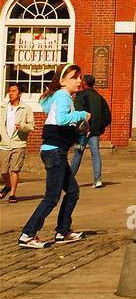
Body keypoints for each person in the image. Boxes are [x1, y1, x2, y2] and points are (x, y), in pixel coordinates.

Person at [18, 63, 90, 248]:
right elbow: (62, 119)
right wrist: (82, 115)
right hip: (54, 152)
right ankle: (28, 234)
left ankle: (63, 230)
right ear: (63, 81)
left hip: (54, 150)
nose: (79, 81)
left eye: (80, 77)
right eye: (74, 77)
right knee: (52, 197)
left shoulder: (59, 97)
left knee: (73, 191)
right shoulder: (63, 96)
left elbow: (46, 107)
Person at [70, 75, 111, 188]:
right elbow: (107, 116)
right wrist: (100, 127)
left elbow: (78, 113)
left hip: (83, 131)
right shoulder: (100, 97)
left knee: (78, 153)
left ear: (84, 83)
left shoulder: (80, 96)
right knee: (95, 153)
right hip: (95, 131)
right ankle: (98, 179)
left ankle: (69, 179)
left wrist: (81, 127)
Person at [1, 83, 35, 203]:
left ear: (19, 93)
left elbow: (32, 126)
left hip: (18, 143)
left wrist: (22, 126)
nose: (11, 93)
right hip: (4, 143)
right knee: (3, 171)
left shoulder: (26, 109)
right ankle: (8, 185)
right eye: (9, 91)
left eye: (14, 91)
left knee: (15, 169)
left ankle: (12, 194)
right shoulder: (2, 107)